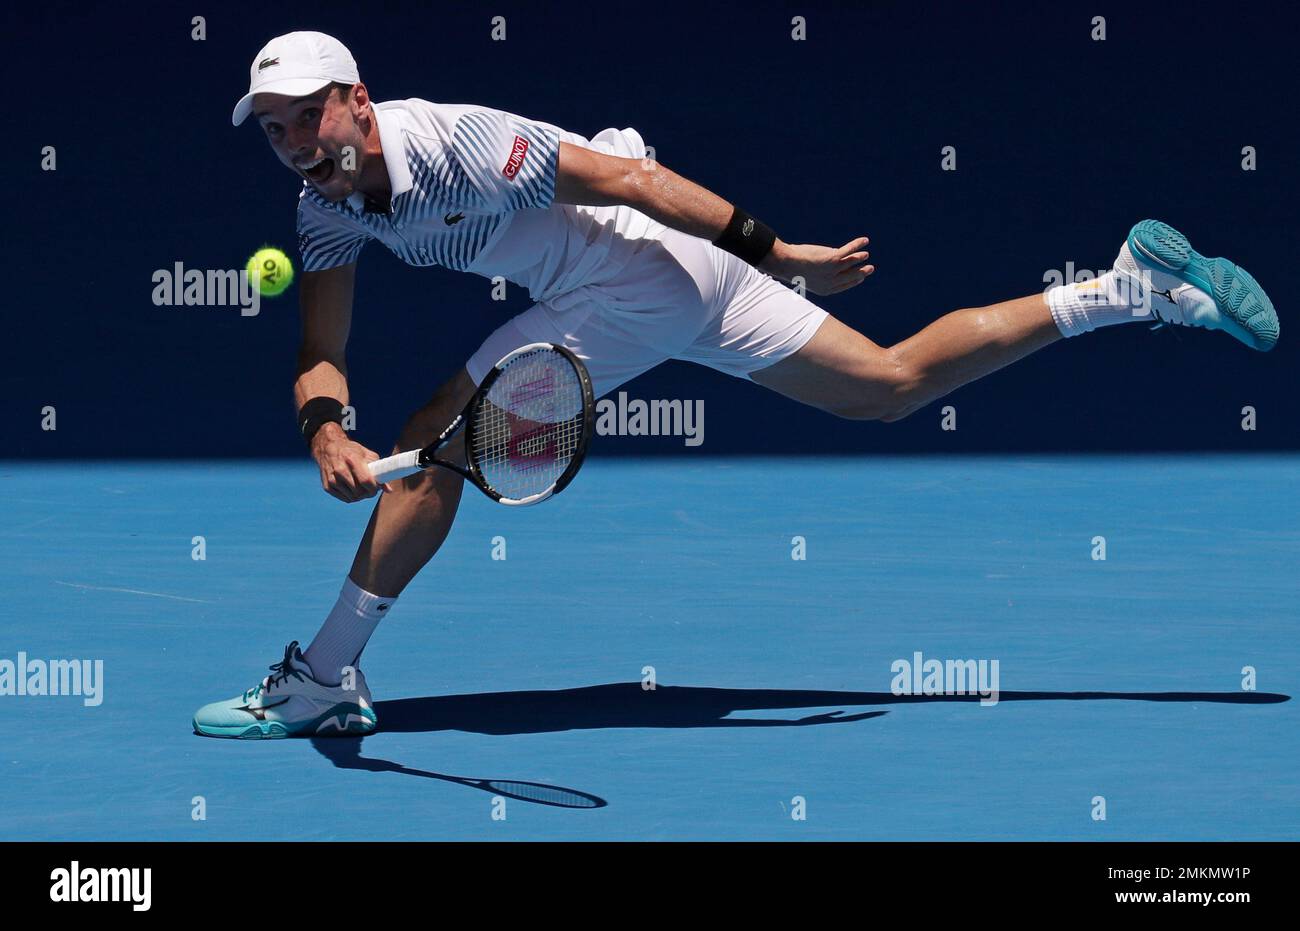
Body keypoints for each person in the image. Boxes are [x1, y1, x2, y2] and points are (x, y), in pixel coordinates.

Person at [193, 31, 1278, 738]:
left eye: (307, 116)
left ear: (359, 102)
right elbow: (320, 347)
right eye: (276, 128)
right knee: (886, 384)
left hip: (627, 267)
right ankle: (1128, 291)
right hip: (659, 283)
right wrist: (325, 427)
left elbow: (630, 178)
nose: (292, 142)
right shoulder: (326, 205)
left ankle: (326, 673)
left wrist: (779, 253)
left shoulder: (465, 146)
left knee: (440, 437)